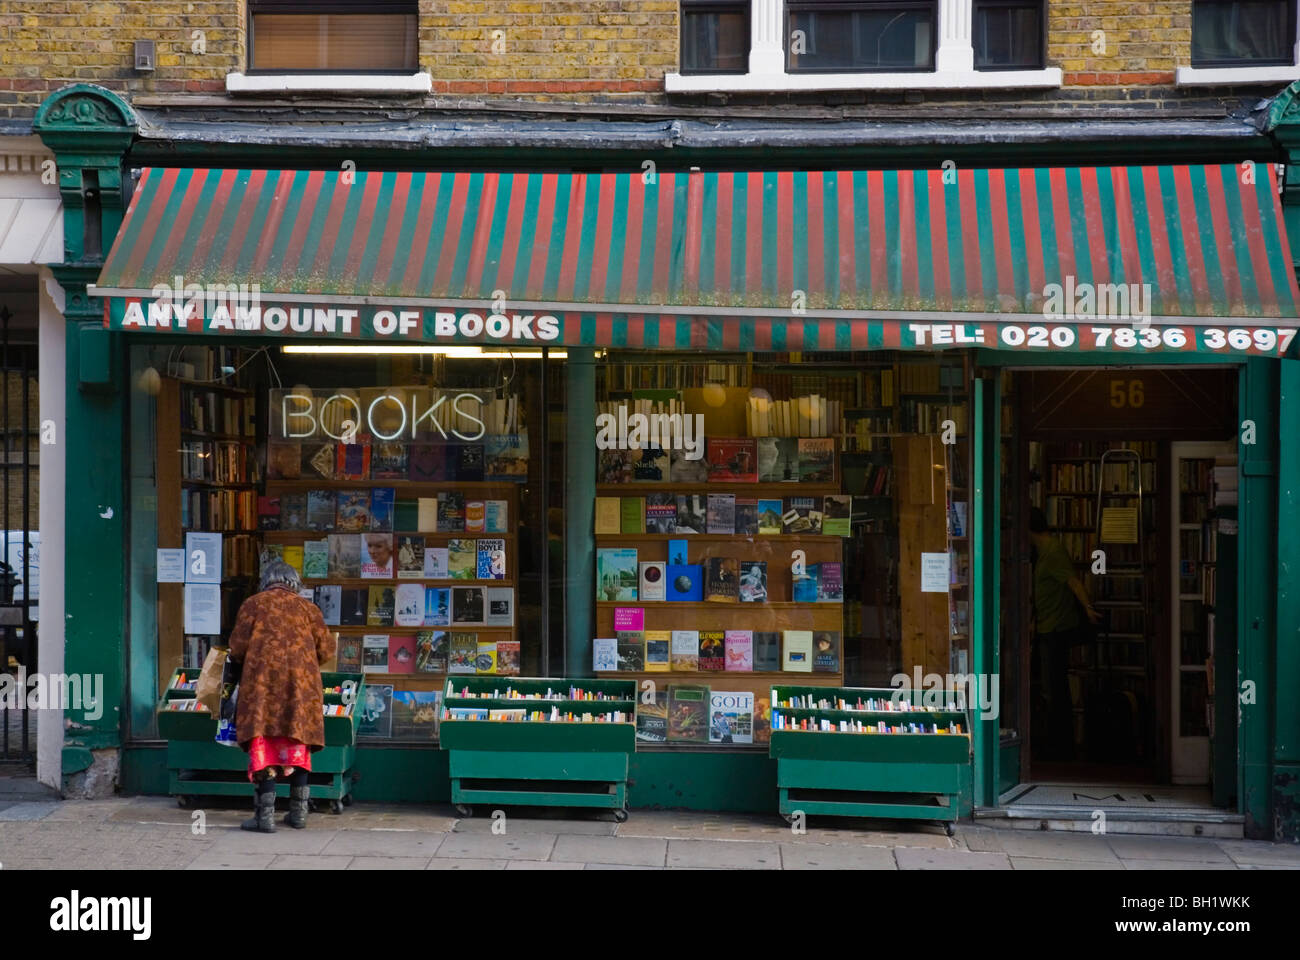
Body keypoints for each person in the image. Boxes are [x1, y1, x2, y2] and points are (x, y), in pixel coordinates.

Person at [228, 560, 336, 833]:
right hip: (300, 690)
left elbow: (237, 648)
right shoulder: (308, 608)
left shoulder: (253, 604)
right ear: (294, 582)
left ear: (267, 581)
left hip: (262, 690)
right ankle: (298, 814)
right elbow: (327, 650)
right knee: (298, 741)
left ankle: (264, 817)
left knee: (263, 743)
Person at [1029, 507, 1102, 762]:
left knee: (1054, 689)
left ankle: (1060, 747)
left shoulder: (1052, 551)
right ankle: (1058, 745)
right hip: (1047, 626)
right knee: (1052, 688)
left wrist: (1088, 608)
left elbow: (1072, 581)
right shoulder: (1044, 552)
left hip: (1055, 629)